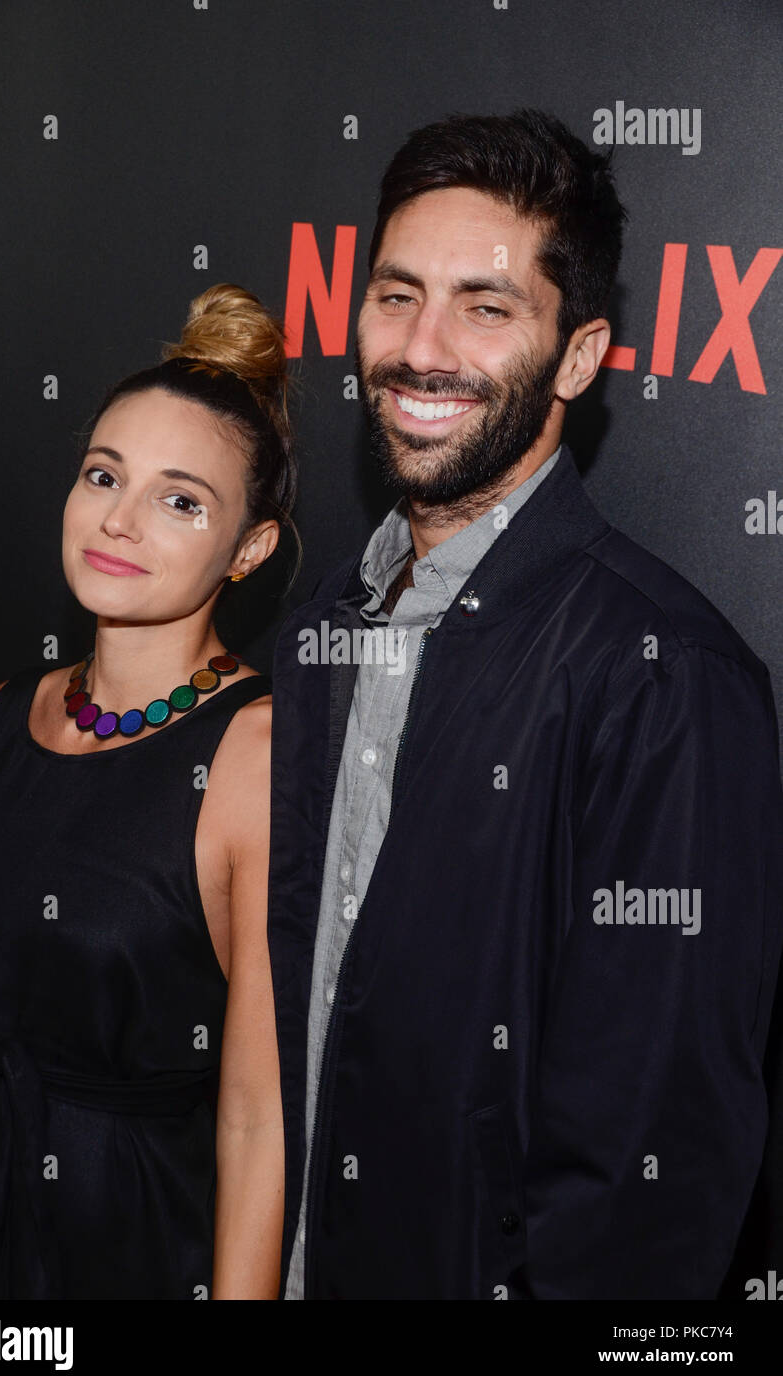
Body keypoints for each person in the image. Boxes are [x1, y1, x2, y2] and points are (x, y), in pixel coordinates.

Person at [266, 110, 783, 1299]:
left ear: (579, 353)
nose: (421, 346)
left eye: (486, 308)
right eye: (396, 296)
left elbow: (653, 1175)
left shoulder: (666, 677)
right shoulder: (315, 641)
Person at [0, 283, 294, 1298]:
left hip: (116, 1246)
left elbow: (259, 1118)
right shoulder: (5, 710)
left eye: (181, 500)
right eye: (103, 475)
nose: (119, 521)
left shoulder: (253, 753)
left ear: (251, 547)